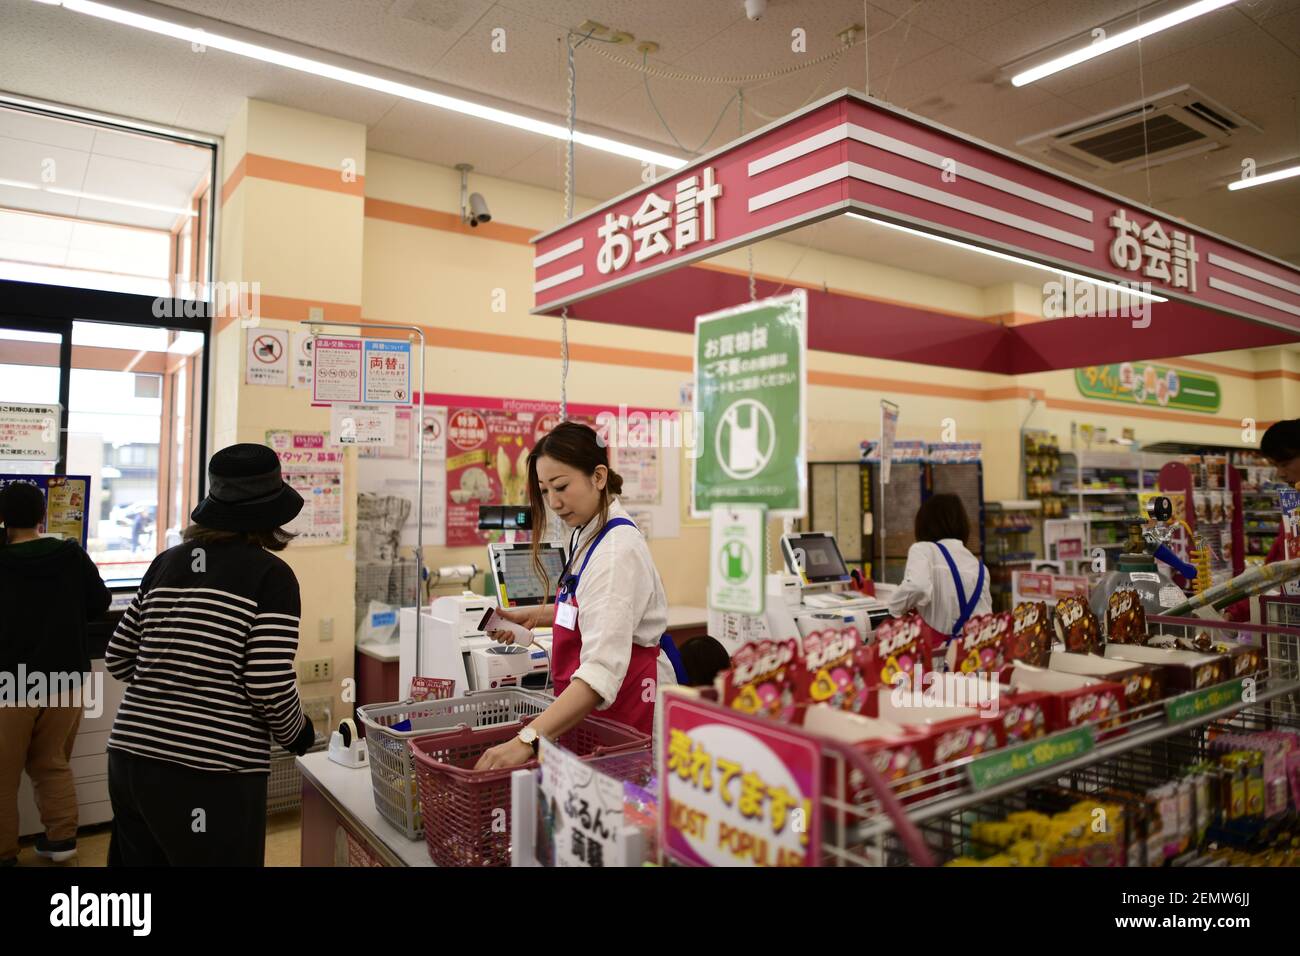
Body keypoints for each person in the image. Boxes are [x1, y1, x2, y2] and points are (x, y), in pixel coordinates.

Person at [105, 444, 316, 866]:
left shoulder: (166, 563)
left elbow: (118, 658)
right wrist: (299, 735)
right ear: (272, 515)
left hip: (131, 757)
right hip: (211, 772)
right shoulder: (271, 577)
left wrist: (172, 679)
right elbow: (267, 683)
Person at [475, 422, 673, 769]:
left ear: (598, 477)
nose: (553, 502)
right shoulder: (586, 531)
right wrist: (535, 616)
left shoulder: (615, 553)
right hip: (601, 713)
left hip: (629, 704)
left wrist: (527, 741)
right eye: (544, 490)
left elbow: (598, 675)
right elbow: (591, 605)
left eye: (561, 487)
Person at [0, 481, 111, 867]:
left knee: (2, 776)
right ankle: (62, 840)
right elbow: (99, 602)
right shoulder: (70, 555)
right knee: (52, 762)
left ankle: (4, 853)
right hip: (66, 681)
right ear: (42, 514)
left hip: (9, 686)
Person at [887, 493, 991, 643]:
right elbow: (986, 619)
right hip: (970, 659)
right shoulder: (979, 568)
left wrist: (892, 609)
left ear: (924, 523)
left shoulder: (923, 549)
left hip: (934, 659)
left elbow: (917, 586)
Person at [1224, 420, 1300, 622]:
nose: (1281, 474)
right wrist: (1232, 612)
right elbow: (1275, 568)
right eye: (1276, 466)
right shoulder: (1293, 508)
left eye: (1285, 464)